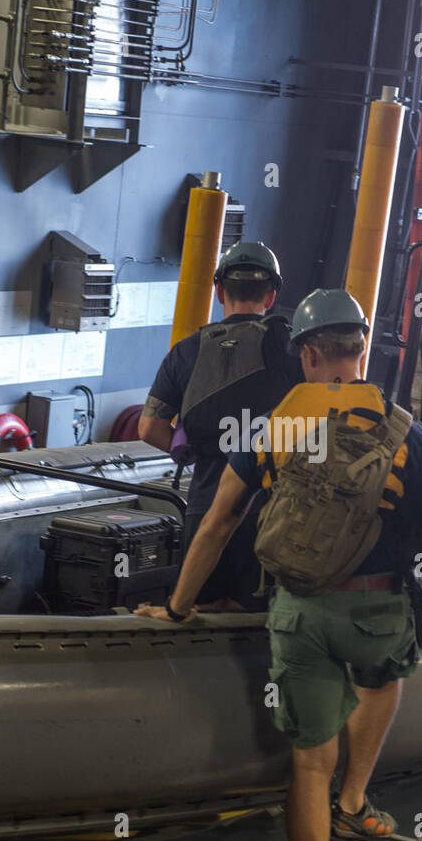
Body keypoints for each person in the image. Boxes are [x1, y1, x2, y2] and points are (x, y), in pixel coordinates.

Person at [136, 288, 422, 841]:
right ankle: (356, 797)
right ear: (360, 350)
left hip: (300, 610)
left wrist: (176, 606)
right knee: (381, 679)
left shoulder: (284, 421)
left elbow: (220, 516)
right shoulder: (402, 428)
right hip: (375, 608)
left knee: (304, 766)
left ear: (309, 354)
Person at [138, 240, 302, 609]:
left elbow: (149, 428)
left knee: (197, 613)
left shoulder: (186, 350)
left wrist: (199, 454)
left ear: (218, 291)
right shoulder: (292, 348)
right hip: (275, 510)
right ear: (271, 296)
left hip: (207, 505)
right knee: (262, 620)